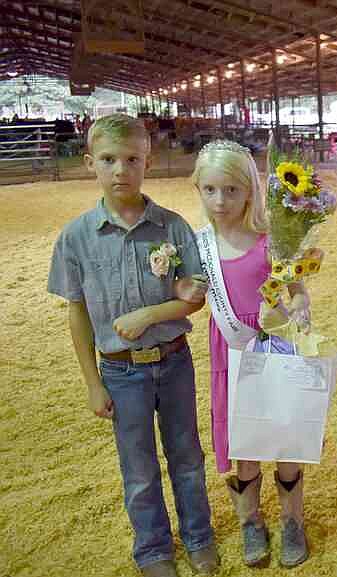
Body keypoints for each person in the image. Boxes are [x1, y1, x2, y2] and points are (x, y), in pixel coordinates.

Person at [47, 114, 218, 577]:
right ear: (89, 164)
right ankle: (153, 550)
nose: (121, 169)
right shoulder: (76, 238)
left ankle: (199, 538)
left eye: (131, 159)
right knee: (139, 468)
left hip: (175, 362)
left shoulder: (173, 228)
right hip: (120, 373)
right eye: (108, 160)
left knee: (187, 455)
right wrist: (92, 383)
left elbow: (194, 298)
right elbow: (76, 311)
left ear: (148, 162)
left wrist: (153, 312)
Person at [176, 140, 312, 568]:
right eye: (211, 190)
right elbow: (191, 297)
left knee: (287, 432)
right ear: (198, 189)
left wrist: (301, 303)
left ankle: (292, 520)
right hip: (230, 351)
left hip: (275, 342)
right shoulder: (198, 246)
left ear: (250, 190)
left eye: (232, 190)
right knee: (244, 440)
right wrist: (182, 292)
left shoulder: (271, 239)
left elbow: (296, 287)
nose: (221, 200)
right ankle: (249, 521)